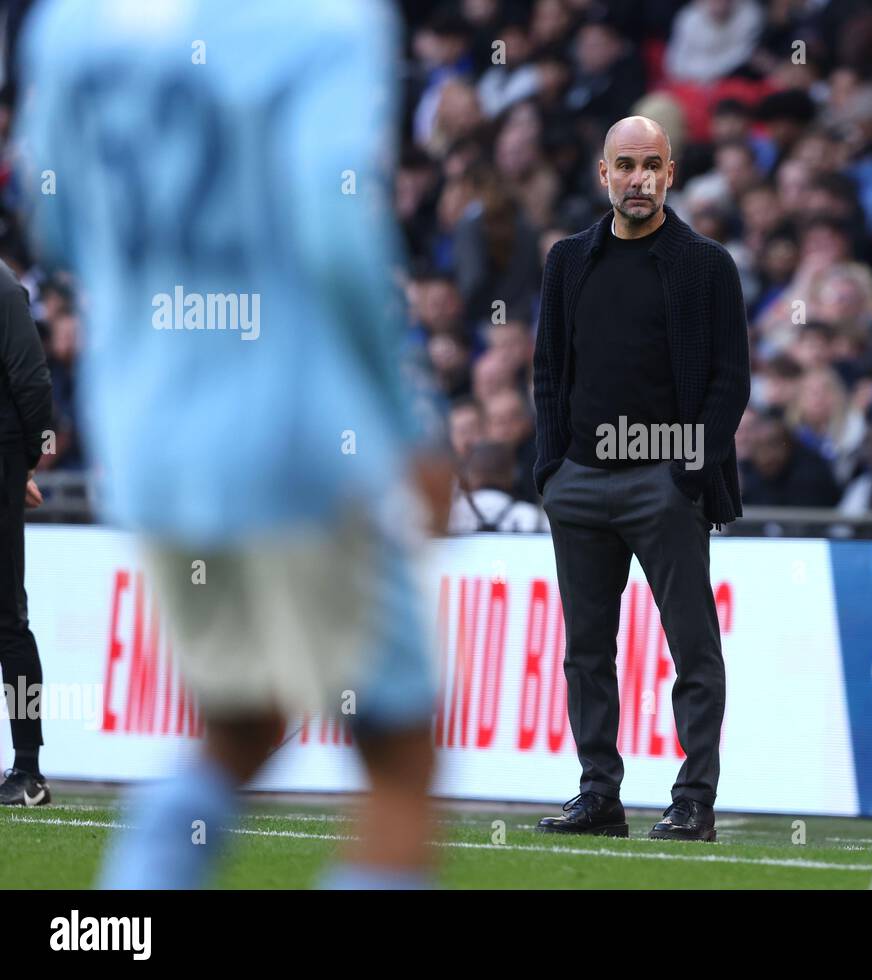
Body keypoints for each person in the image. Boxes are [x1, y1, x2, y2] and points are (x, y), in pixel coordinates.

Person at [18, 0, 452, 888]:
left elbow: (53, 214)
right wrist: (411, 431)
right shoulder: (324, 20)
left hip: (149, 439)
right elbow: (337, 232)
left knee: (240, 727)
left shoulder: (71, 24)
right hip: (293, 430)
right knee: (400, 753)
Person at [532, 115, 749, 841]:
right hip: (580, 485)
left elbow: (730, 383)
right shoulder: (567, 261)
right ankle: (600, 794)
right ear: (603, 175)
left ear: (671, 173)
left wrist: (688, 472)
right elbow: (547, 373)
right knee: (585, 653)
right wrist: (551, 470)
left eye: (651, 164)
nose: (638, 178)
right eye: (624, 165)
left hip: (665, 481)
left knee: (692, 649)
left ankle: (694, 800)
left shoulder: (706, 264)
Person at [0, 261, 53, 806]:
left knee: (8, 621)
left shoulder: (3, 286)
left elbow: (32, 378)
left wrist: (27, 465)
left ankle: (28, 769)